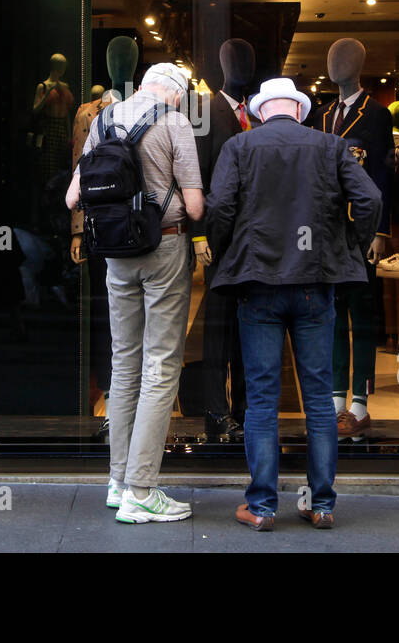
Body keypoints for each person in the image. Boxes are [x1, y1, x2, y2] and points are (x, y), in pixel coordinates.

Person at [206, 77, 381, 531]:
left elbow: (219, 207)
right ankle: (321, 503)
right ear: (299, 111)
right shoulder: (330, 145)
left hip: (258, 283)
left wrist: (229, 255)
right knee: (320, 400)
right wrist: (349, 248)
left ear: (262, 111)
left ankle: (262, 507)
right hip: (314, 283)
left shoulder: (240, 146)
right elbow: (371, 199)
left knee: (261, 400)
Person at [65, 62, 204, 523]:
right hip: (163, 245)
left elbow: (72, 198)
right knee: (161, 365)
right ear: (176, 94)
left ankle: (118, 481)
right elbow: (197, 205)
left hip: (115, 253)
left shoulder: (102, 119)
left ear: (142, 85)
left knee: (123, 362)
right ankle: (142, 491)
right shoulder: (176, 121)